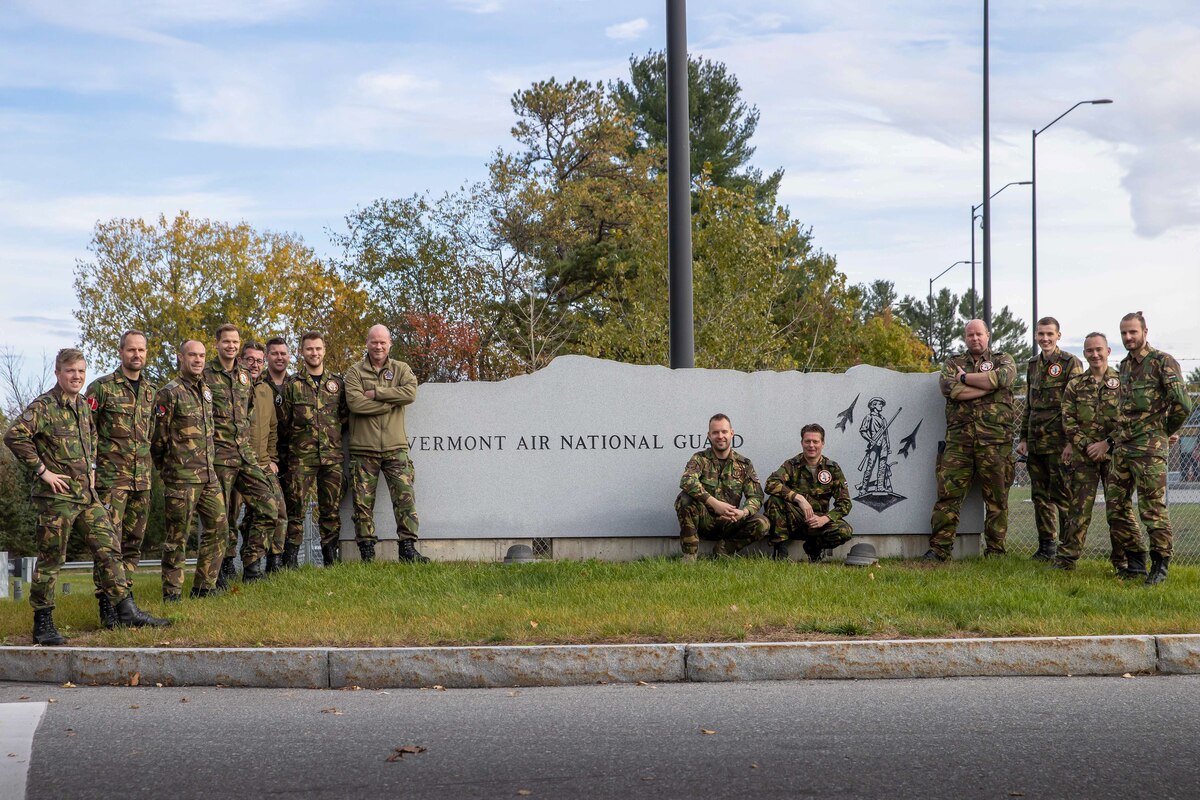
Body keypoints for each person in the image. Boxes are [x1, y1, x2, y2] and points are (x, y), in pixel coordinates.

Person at [4, 348, 167, 644]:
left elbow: (91, 436)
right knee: (52, 559)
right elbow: (14, 435)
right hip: (57, 499)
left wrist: (91, 468)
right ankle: (43, 623)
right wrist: (42, 471)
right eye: (70, 371)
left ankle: (125, 609)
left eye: (80, 371)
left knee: (109, 548)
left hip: (86, 495)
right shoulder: (44, 406)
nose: (76, 376)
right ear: (58, 373)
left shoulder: (82, 405)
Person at [1104, 312, 1193, 584]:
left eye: (1133, 332)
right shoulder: (1124, 366)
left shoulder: (1162, 362)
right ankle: (1135, 561)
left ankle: (1160, 565)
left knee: (1152, 509)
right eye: (1124, 333)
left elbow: (1183, 404)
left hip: (1149, 450)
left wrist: (1163, 431)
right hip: (1123, 447)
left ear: (1145, 332)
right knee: (1115, 506)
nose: (1128, 337)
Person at [925, 319, 1018, 561]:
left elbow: (1003, 378)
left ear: (988, 335)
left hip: (995, 444)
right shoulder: (953, 363)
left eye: (979, 334)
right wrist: (988, 387)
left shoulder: (1003, 359)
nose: (975, 338)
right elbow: (949, 389)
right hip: (959, 444)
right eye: (970, 335)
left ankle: (995, 552)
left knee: (997, 499)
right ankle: (939, 550)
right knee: (948, 496)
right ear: (965, 338)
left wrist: (966, 379)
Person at [84, 329, 156, 627]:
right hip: (111, 481)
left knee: (132, 544)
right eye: (131, 350)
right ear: (121, 352)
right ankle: (108, 606)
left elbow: (152, 435)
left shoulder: (151, 392)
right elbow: (85, 431)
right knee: (108, 545)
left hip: (142, 480)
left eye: (141, 350)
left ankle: (126, 601)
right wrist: (90, 469)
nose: (136, 355)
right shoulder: (101, 388)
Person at [1052, 332, 1137, 572]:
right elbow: (1068, 421)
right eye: (1090, 350)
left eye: (1099, 349)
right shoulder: (1075, 385)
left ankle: (1123, 561)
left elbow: (1130, 419)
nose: (1095, 354)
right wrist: (1087, 445)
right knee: (1078, 510)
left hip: (1116, 457)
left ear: (1108, 351)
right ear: (1084, 354)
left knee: (1118, 509)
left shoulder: (1123, 382)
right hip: (1084, 458)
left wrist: (1107, 444)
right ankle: (1067, 560)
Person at [152, 340, 230, 600]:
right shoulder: (169, 393)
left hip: (208, 476)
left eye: (202, 356)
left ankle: (204, 587)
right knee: (177, 537)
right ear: (181, 357)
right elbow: (158, 439)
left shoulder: (206, 390)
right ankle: (172, 593)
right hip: (181, 477)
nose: (198, 360)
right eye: (193, 355)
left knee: (219, 528)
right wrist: (168, 469)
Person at [344, 324, 428, 563]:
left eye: (383, 342)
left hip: (395, 448)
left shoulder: (401, 369)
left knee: (405, 498)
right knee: (362, 503)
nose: (378, 346)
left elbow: (410, 393)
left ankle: (407, 549)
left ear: (390, 343)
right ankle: (367, 551)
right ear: (367, 343)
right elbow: (355, 404)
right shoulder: (355, 372)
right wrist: (391, 402)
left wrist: (377, 393)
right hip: (363, 449)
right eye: (374, 341)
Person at [202, 323, 278, 582]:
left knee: (268, 505)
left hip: (245, 456)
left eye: (235, 342)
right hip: (219, 457)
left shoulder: (245, 375)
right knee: (222, 518)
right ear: (217, 344)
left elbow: (249, 412)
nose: (231, 346)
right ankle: (220, 571)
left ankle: (252, 564)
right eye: (226, 341)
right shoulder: (205, 375)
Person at [1016, 317, 1084, 561]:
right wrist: (1023, 438)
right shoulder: (1033, 364)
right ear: (1036, 335)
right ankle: (1047, 547)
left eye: (1049, 334)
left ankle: (1068, 548)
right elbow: (1029, 405)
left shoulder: (1070, 363)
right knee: (1040, 497)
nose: (1045, 338)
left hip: (1060, 444)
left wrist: (1072, 442)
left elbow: (1077, 404)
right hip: (1036, 442)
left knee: (1063, 496)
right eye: (1041, 334)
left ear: (1058, 336)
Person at [281, 332, 349, 565]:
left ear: (324, 350)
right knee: (296, 510)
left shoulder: (337, 384)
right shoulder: (293, 385)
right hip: (301, 458)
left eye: (318, 348)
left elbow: (344, 417)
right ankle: (290, 559)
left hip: (331, 457)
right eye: (309, 349)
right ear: (302, 352)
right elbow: (283, 422)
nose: (314, 353)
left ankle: (330, 559)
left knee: (331, 510)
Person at [674, 413, 769, 561]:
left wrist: (743, 512)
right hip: (704, 521)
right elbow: (687, 481)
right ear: (709, 435)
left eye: (724, 432)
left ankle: (724, 549)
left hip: (731, 522)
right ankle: (690, 556)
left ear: (731, 433)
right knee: (684, 499)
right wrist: (714, 503)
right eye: (715, 432)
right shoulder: (700, 459)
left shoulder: (744, 464)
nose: (720, 436)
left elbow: (756, 496)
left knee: (762, 523)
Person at [764, 423, 853, 562]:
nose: (811, 445)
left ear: (822, 443)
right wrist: (798, 498)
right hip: (795, 520)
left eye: (815, 441)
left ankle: (814, 547)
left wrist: (825, 519)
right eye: (807, 441)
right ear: (802, 443)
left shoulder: (832, 468)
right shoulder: (792, 465)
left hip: (818, 521)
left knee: (844, 530)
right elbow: (771, 483)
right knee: (774, 501)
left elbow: (845, 503)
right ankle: (780, 550)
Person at [238, 341, 287, 574]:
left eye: (259, 360)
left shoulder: (266, 390)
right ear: (241, 360)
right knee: (230, 515)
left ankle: (272, 562)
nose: (255, 365)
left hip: (263, 462)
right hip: (236, 462)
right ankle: (229, 565)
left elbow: (273, 428)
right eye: (250, 359)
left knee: (278, 510)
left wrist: (272, 459)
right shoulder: (233, 386)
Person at [857, 397, 892, 494]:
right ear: (874, 405)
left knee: (882, 466)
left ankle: (880, 487)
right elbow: (863, 431)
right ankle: (864, 488)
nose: (881, 406)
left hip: (883, 445)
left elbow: (886, 434)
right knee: (870, 466)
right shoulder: (869, 417)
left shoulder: (883, 419)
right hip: (875, 444)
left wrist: (888, 446)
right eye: (879, 404)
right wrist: (870, 440)